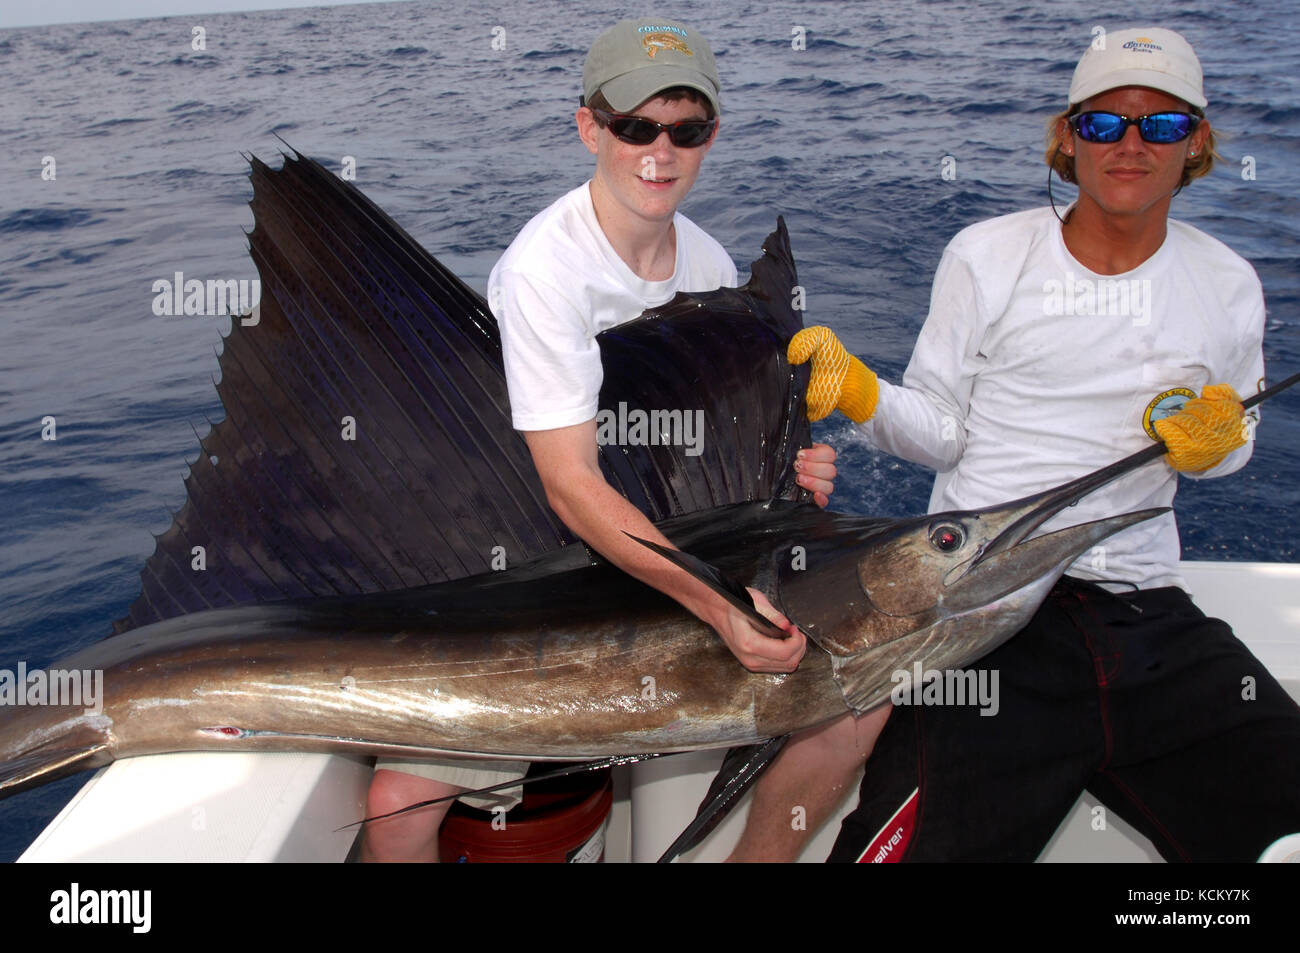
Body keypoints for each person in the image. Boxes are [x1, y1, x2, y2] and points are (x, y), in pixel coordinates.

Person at [791, 26, 1300, 862]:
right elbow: (943, 432)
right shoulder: (989, 256)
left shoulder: (1229, 283)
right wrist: (864, 394)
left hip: (1145, 615)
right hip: (982, 615)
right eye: (1104, 123)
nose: (1130, 144)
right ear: (1069, 138)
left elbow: (1237, 436)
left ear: (1197, 143)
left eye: (1161, 125)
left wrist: (1219, 444)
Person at [361, 16, 839, 863]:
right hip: (544, 568)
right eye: (635, 127)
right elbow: (571, 488)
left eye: (685, 130)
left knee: (854, 698)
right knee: (398, 803)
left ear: (710, 136)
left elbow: (720, 454)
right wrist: (722, 609)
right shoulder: (545, 269)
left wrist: (792, 475)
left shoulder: (711, 265)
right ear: (590, 127)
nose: (660, 150)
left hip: (666, 567)